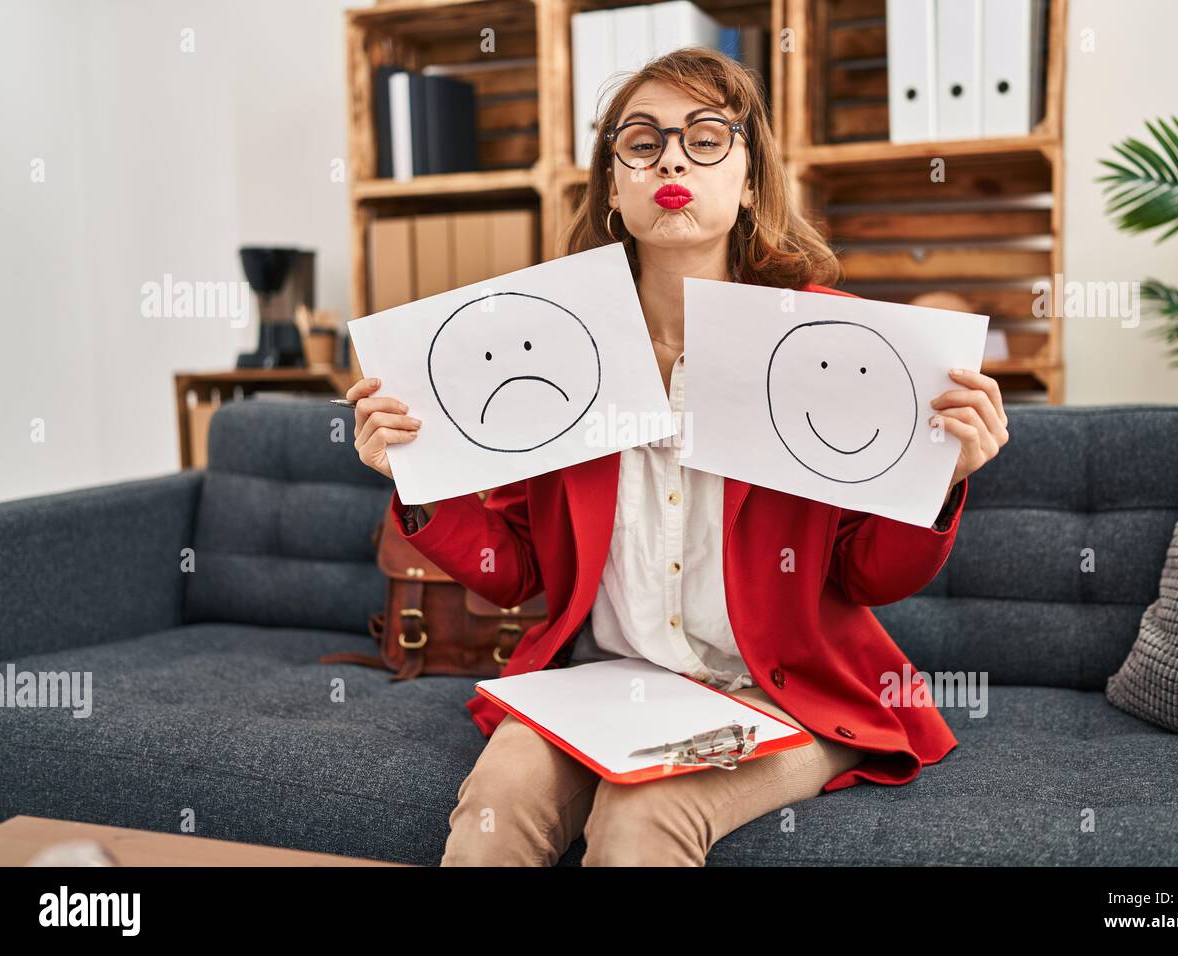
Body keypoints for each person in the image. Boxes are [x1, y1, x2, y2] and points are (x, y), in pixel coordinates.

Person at [348, 47, 1009, 866]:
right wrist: (418, 478)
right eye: (642, 141)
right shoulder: (558, 347)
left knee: (642, 819)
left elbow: (870, 578)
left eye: (704, 138)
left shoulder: (825, 341)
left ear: (752, 180)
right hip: (601, 682)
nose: (670, 159)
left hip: (784, 695)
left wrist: (942, 482)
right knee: (497, 801)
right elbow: (515, 573)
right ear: (613, 187)